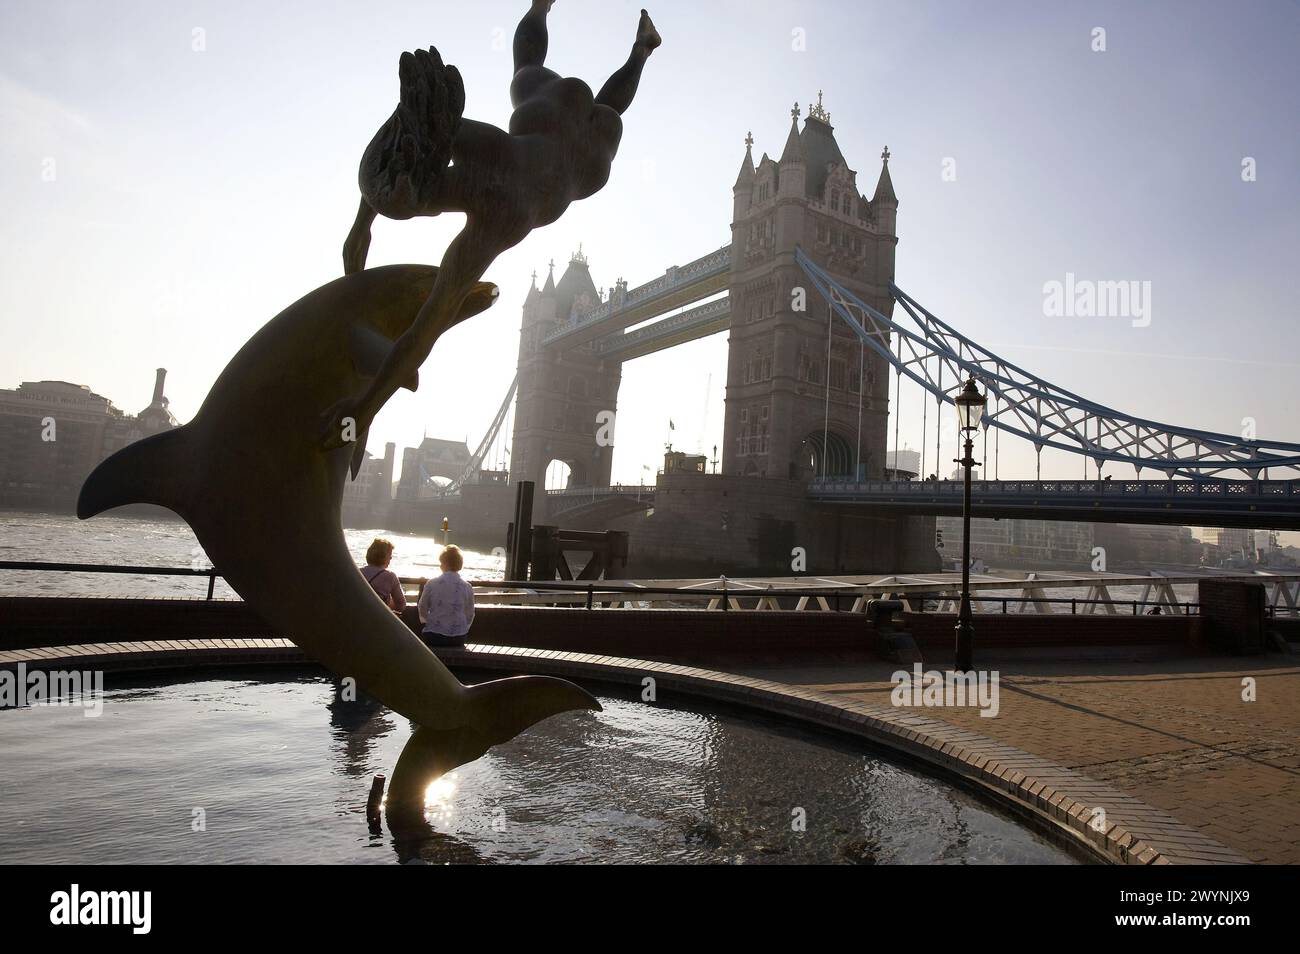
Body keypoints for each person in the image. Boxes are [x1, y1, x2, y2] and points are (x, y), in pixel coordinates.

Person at [325, 1, 660, 451]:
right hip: (556, 117)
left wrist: (363, 408)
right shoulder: (475, 145)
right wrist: (362, 224)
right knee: (528, 69)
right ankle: (581, 22)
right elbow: (415, 139)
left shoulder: (494, 226)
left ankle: (640, 50)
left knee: (592, 102)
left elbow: (422, 335)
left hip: (589, 152)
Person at [418, 545, 475, 646]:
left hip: (435, 635)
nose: (440, 566)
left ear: (444, 564)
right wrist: (461, 627)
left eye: (441, 563)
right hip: (458, 637)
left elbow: (422, 607)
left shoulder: (431, 583)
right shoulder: (467, 586)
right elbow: (470, 614)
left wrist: (429, 621)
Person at [361, 537, 407, 615]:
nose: (391, 558)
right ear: (384, 556)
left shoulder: (358, 572)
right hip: (378, 618)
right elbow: (401, 605)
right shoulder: (390, 577)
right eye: (390, 555)